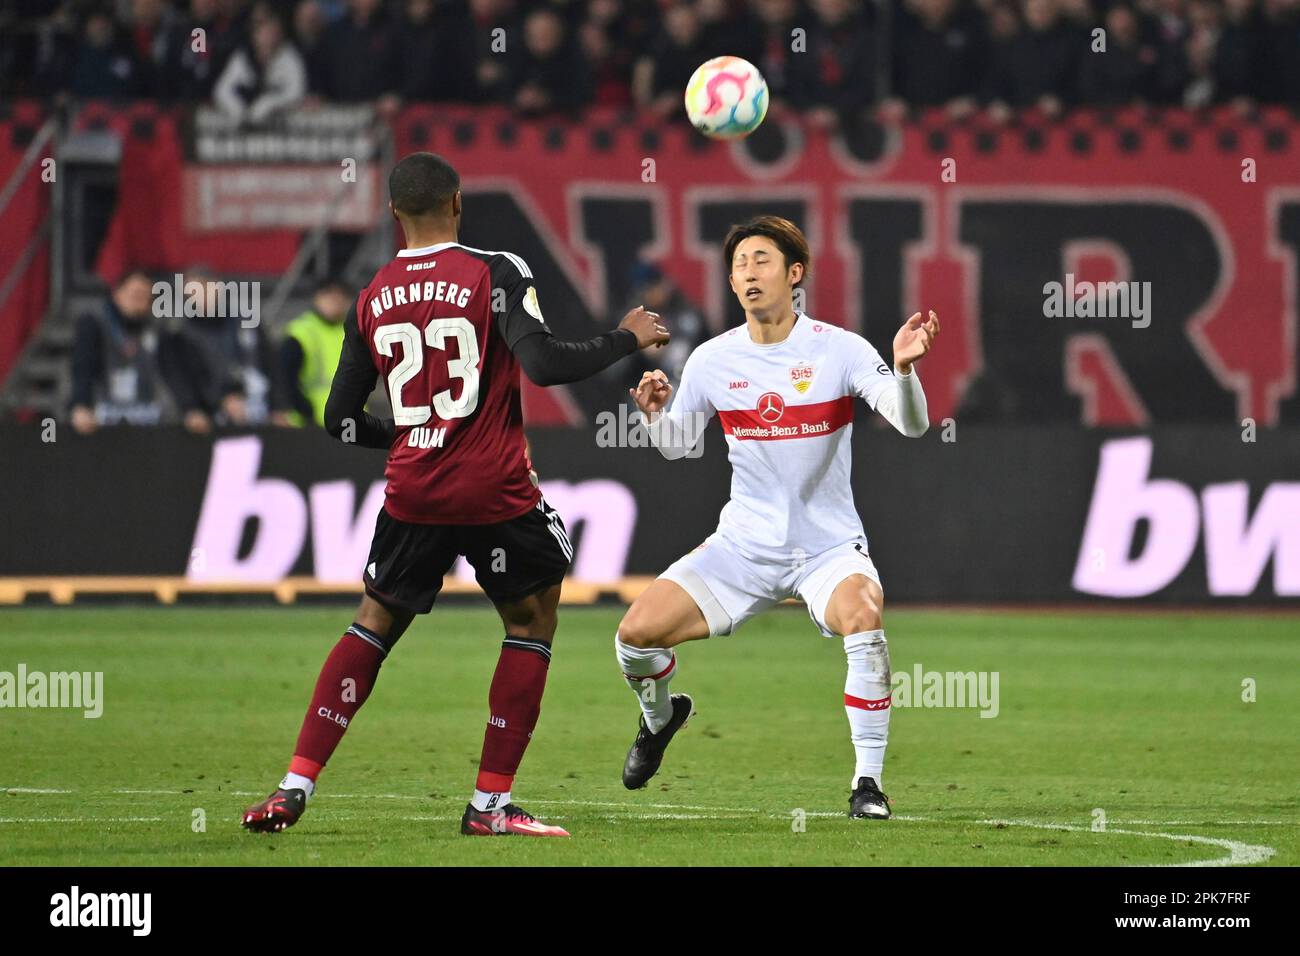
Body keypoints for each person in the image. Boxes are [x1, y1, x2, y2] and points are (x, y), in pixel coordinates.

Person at [241, 152, 670, 838]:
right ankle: (489, 806)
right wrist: (627, 337)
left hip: (414, 493)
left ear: (393, 216)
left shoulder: (373, 293)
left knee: (372, 625)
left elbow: (338, 418)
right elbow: (543, 362)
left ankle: (292, 788)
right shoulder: (496, 271)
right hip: (495, 490)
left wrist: (420, 434)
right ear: (459, 203)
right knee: (530, 623)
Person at [614, 216, 940, 820]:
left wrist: (907, 369)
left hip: (827, 549)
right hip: (743, 547)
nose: (747, 273)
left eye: (761, 260)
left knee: (864, 617)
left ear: (795, 274)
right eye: (739, 265)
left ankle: (867, 784)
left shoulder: (840, 349)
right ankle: (660, 720)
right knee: (633, 638)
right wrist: (655, 416)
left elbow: (911, 423)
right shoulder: (714, 359)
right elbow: (680, 443)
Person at [272, 278, 351, 428]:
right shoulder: (302, 332)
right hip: (309, 424)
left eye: (341, 295)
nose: (336, 301)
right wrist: (302, 409)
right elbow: (283, 377)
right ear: (316, 297)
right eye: (330, 295)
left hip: (350, 424)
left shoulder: (353, 332)